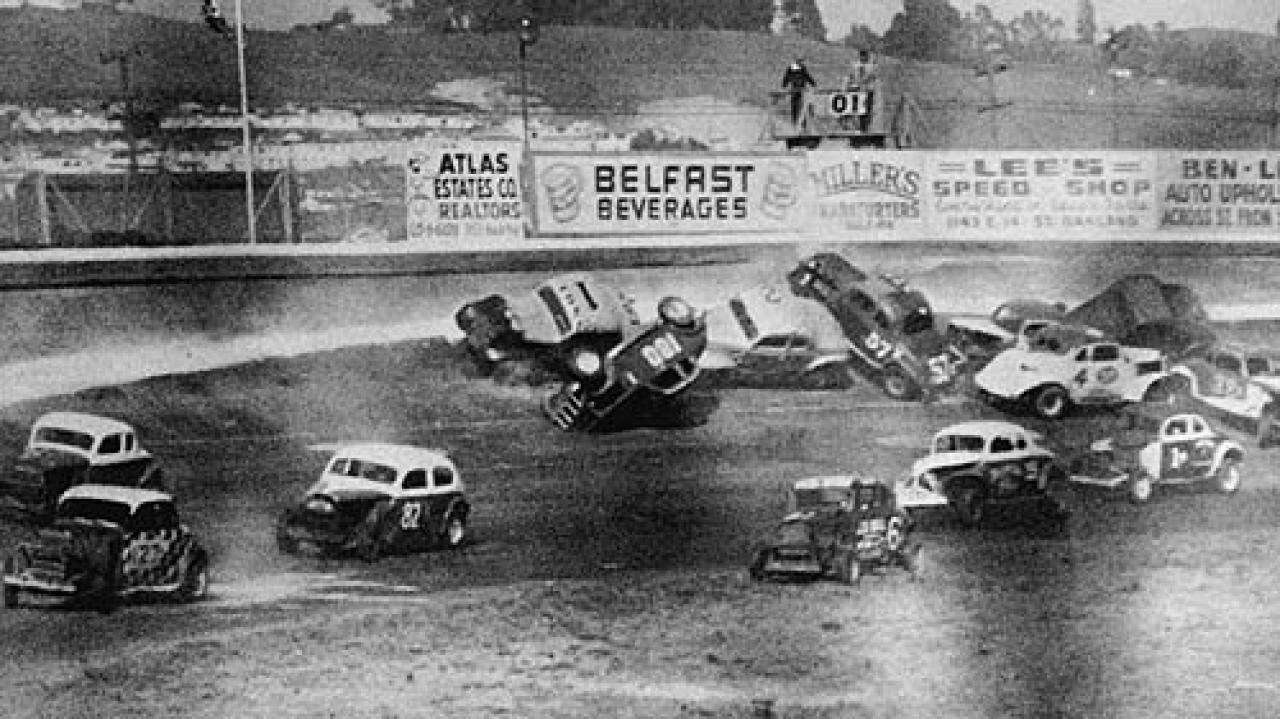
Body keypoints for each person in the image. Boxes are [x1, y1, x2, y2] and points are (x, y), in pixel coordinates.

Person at [780, 57, 816, 130]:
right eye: (800, 61)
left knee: (799, 107)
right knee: (798, 107)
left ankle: (799, 124)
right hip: (798, 90)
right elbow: (807, 76)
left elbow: (807, 76)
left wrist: (784, 85)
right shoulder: (797, 68)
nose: (801, 62)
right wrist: (813, 83)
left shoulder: (795, 68)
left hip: (799, 90)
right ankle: (799, 124)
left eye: (801, 61)